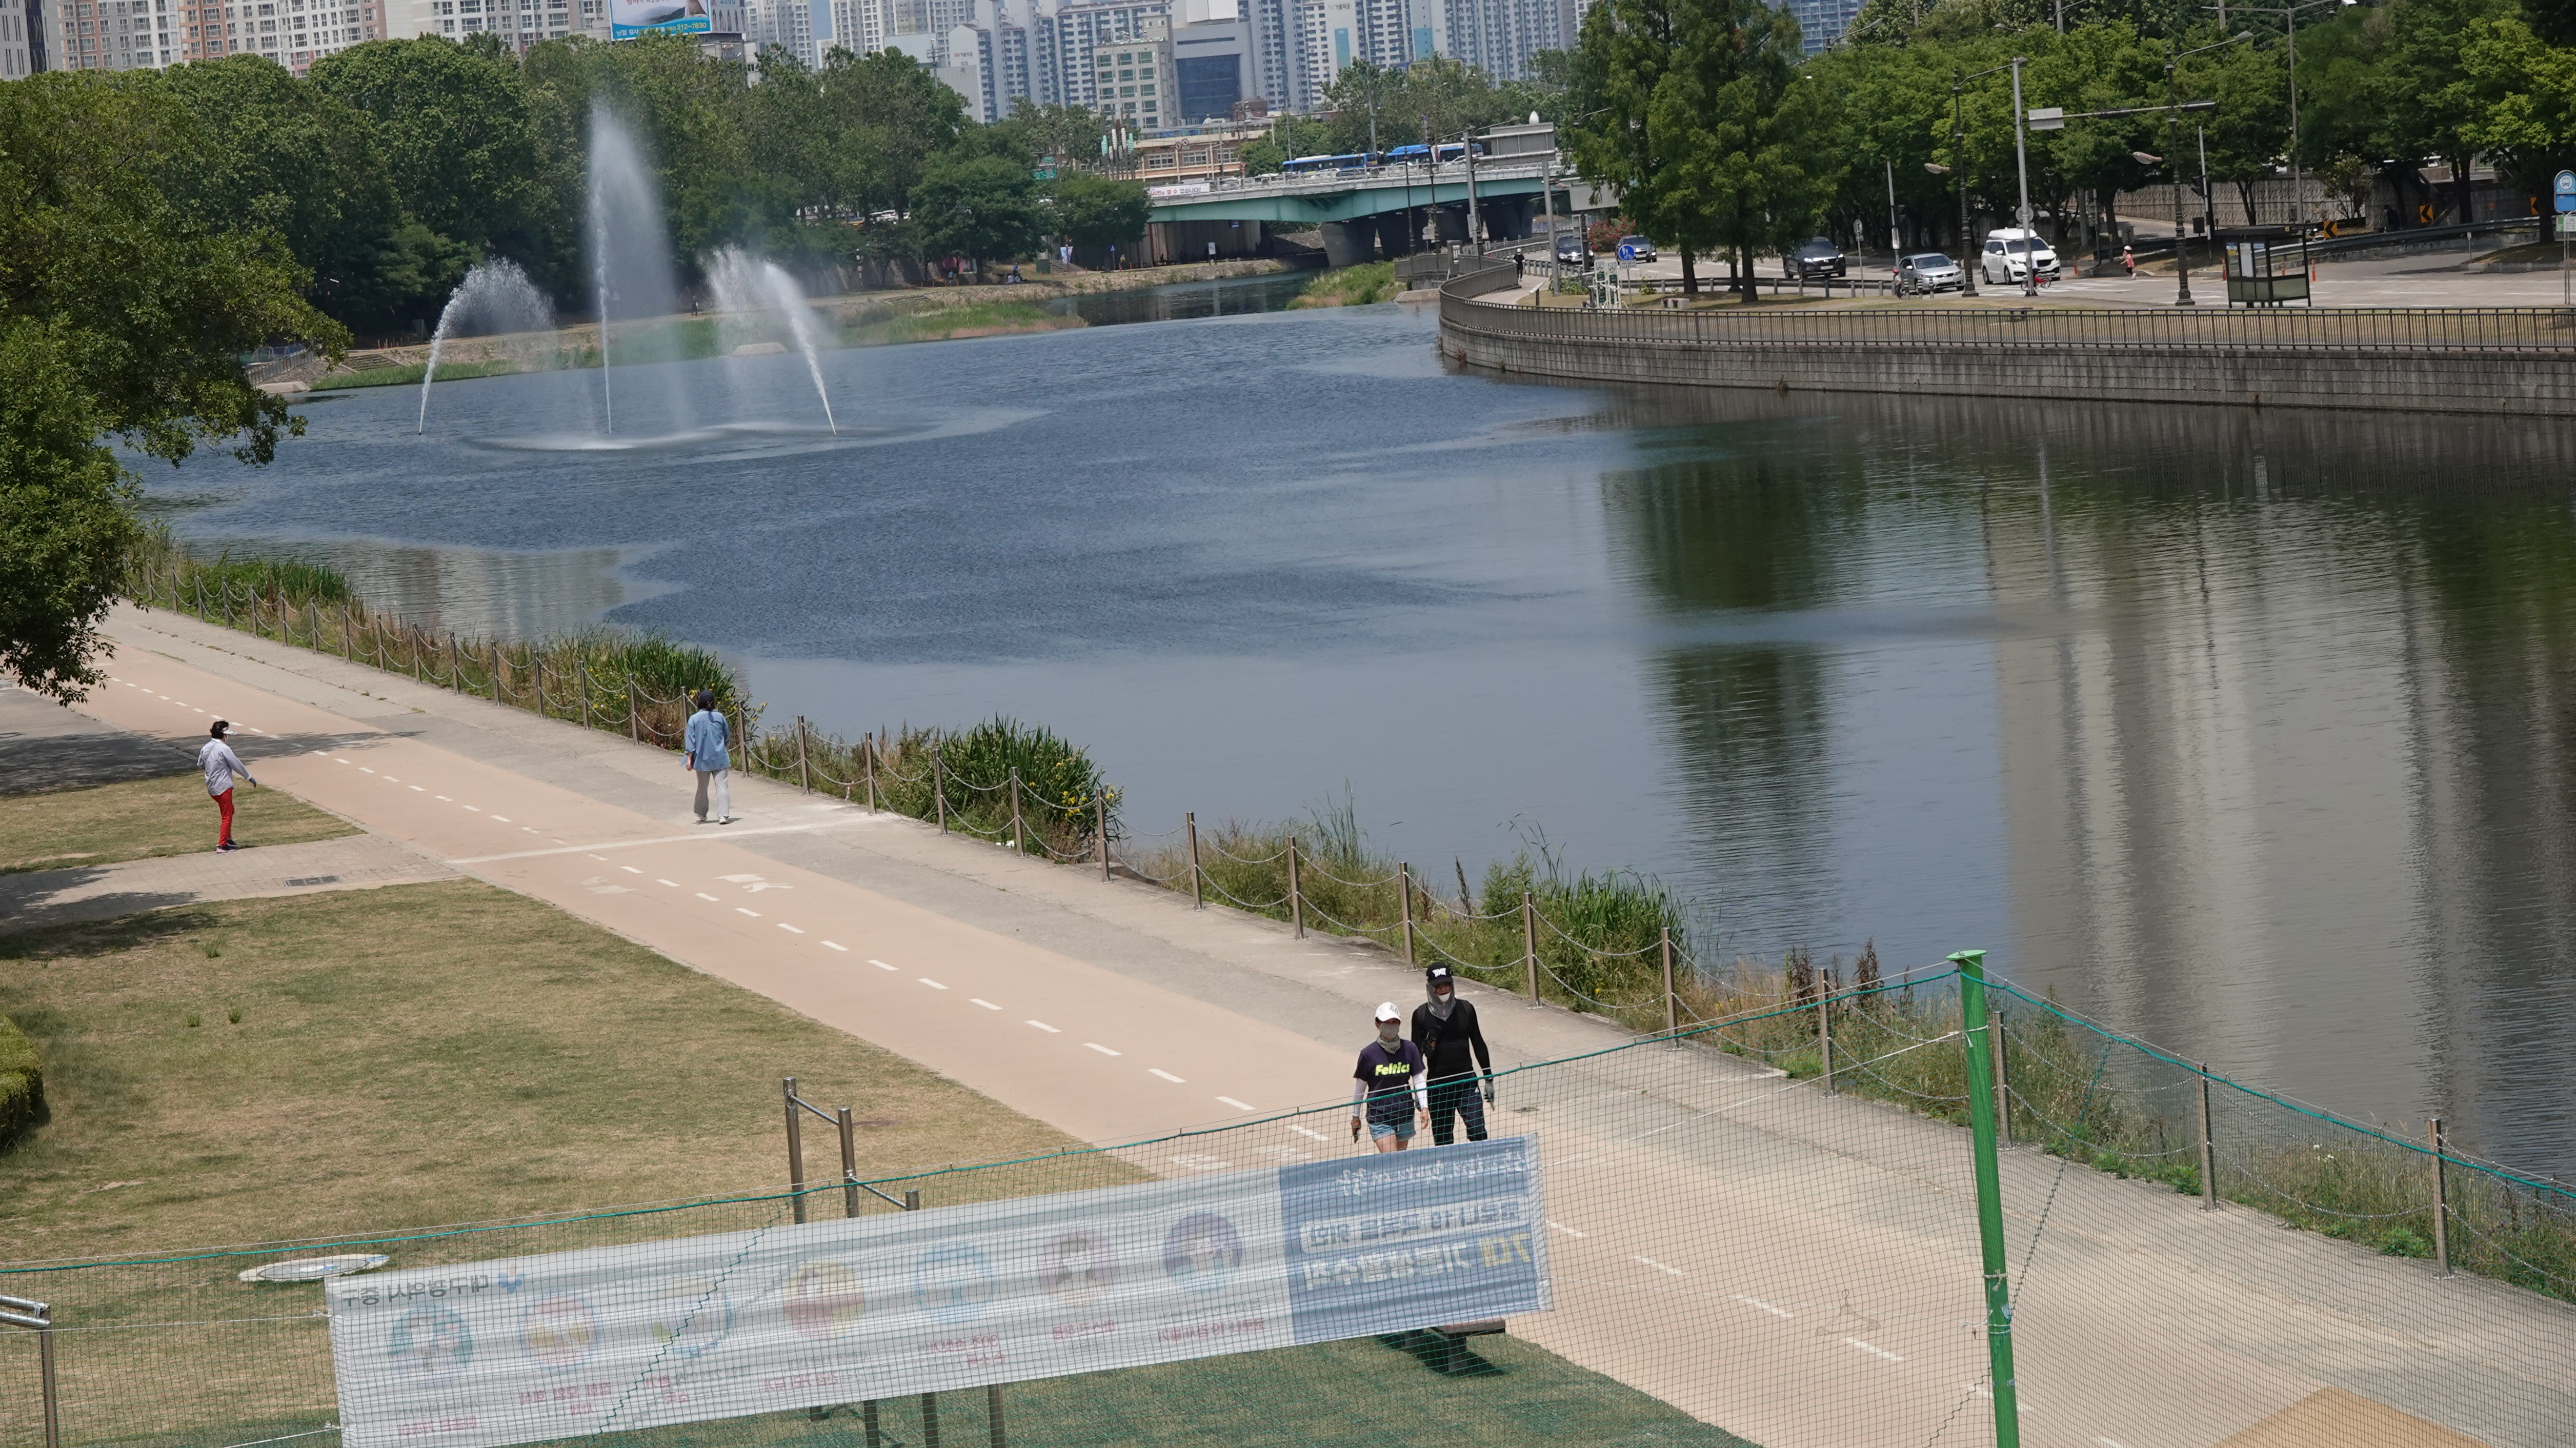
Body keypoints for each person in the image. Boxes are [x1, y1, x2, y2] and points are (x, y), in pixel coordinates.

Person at [1409, 966, 1494, 1146]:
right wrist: (1419, 1092)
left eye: (1447, 985)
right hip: (1438, 1087)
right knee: (1443, 1140)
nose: (1443, 990)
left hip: (1466, 1082)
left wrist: (1489, 1079)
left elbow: (1479, 1043)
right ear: (1430, 988)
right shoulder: (1421, 1016)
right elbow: (1415, 1057)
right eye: (1438, 986)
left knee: (1478, 1133)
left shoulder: (1466, 1009)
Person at [1350, 1002, 1428, 1153]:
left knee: (1401, 1162)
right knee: (1393, 1161)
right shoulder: (1368, 1054)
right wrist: (1355, 1116)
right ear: (1377, 1024)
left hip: (1405, 1115)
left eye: (1395, 1022)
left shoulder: (1410, 1049)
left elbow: (1418, 1079)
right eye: (1387, 1022)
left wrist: (1424, 1107)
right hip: (1380, 1117)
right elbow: (1360, 1088)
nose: (1391, 1026)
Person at [198, 720, 257, 852]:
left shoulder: (206, 748)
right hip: (223, 787)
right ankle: (222, 844)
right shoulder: (224, 749)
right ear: (224, 735)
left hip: (212, 787)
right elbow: (237, 764)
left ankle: (228, 838)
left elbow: (200, 764)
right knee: (227, 815)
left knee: (229, 811)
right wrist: (249, 777)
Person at [683, 690, 732, 824]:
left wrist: (689, 758)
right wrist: (723, 747)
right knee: (722, 786)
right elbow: (727, 737)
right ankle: (723, 815)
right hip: (720, 757)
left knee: (702, 786)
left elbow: (690, 740)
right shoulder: (720, 717)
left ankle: (701, 813)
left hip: (701, 758)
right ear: (712, 702)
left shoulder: (694, 719)